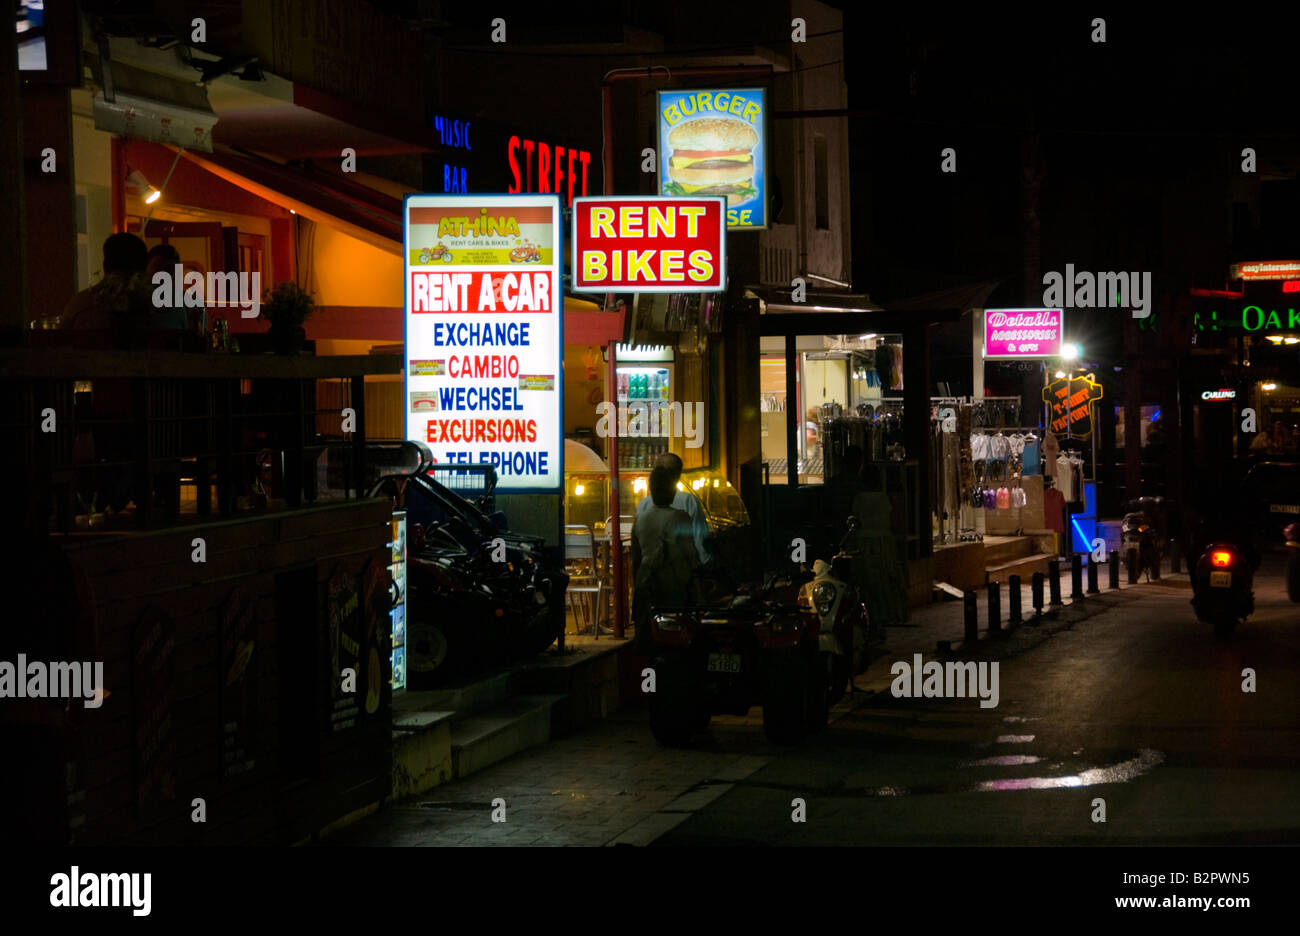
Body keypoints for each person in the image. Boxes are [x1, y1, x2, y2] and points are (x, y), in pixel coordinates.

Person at [631, 465, 700, 650]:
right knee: (677, 638)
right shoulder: (680, 517)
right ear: (672, 490)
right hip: (674, 586)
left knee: (648, 640)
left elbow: (636, 558)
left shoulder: (640, 519)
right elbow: (691, 555)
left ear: (651, 489)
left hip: (646, 585)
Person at [61, 233, 150, 339]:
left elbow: (59, 342)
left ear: (105, 266)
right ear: (144, 268)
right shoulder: (155, 307)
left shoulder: (80, 304)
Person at [635, 452, 712, 565]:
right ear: (678, 475)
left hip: (650, 571)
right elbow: (700, 542)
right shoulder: (688, 501)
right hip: (679, 571)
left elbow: (637, 550)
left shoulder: (643, 505)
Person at [145, 243, 189, 332]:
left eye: (169, 269)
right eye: (157, 268)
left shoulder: (192, 305)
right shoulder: (134, 302)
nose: (162, 274)